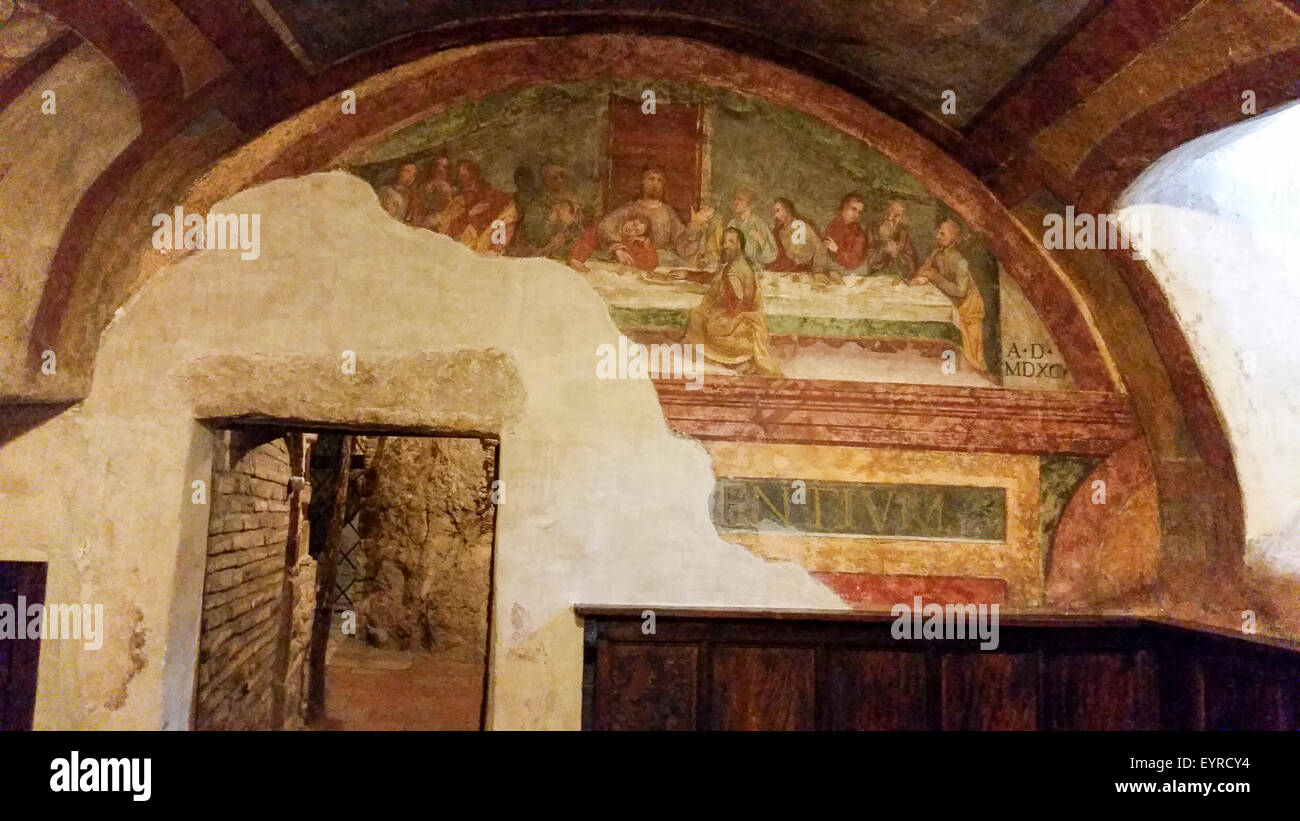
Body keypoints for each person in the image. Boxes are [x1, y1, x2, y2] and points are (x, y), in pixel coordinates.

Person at [685, 228, 781, 376]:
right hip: (742, 315)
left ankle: (731, 361)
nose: (725, 246)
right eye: (724, 242)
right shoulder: (738, 263)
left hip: (737, 321)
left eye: (731, 242)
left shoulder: (734, 270)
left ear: (739, 245)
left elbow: (737, 301)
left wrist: (723, 313)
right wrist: (689, 274)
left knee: (699, 316)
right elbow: (717, 278)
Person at [582, 166, 712, 265]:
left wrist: (694, 226)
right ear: (642, 182)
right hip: (634, 259)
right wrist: (617, 248)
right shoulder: (631, 208)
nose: (655, 184)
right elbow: (605, 225)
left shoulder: (668, 212)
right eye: (651, 179)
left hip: (662, 261)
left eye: (659, 180)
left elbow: (682, 247)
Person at [909, 219, 986, 373]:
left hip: (968, 306)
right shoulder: (937, 253)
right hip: (951, 300)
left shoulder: (959, 261)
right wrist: (925, 273)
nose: (937, 236)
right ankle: (938, 347)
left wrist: (935, 277)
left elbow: (960, 291)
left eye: (942, 234)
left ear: (953, 238)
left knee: (970, 354)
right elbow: (923, 270)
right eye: (938, 232)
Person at [436, 160, 517, 255]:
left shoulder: (495, 197)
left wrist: (494, 248)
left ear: (478, 177)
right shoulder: (458, 203)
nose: (469, 185)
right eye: (462, 178)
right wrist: (470, 215)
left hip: (487, 252)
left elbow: (507, 218)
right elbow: (446, 231)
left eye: (468, 178)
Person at [769, 197, 838, 284]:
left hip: (806, 270)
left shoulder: (799, 226)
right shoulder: (781, 230)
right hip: (792, 271)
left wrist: (818, 271)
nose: (775, 215)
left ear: (787, 210)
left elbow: (819, 246)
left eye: (778, 210)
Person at [707, 188, 777, 268]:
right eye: (735, 199)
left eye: (740, 199)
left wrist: (761, 240)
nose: (735, 202)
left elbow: (770, 257)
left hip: (754, 271)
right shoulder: (732, 224)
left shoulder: (760, 224)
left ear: (750, 203)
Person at [867, 200, 919, 280]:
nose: (890, 218)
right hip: (874, 278)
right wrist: (884, 250)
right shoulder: (872, 231)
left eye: (896, 215)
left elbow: (912, 266)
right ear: (883, 214)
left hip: (897, 280)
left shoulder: (903, 236)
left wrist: (897, 255)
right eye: (888, 214)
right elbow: (865, 262)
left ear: (901, 217)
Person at [822, 192, 869, 272]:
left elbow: (854, 262)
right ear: (844, 206)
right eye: (853, 209)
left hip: (848, 274)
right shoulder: (830, 224)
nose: (856, 215)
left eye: (859, 212)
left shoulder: (858, 234)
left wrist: (837, 250)